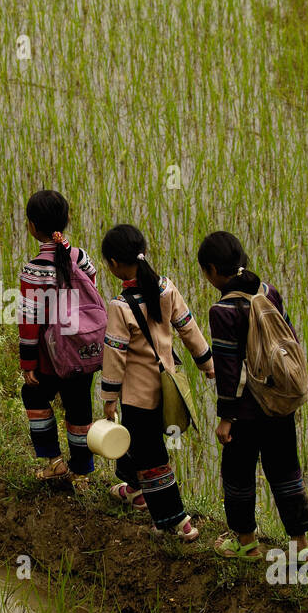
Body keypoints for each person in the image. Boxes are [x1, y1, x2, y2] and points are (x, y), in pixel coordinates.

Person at [198, 231, 308, 561]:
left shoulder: (223, 309)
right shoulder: (268, 292)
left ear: (211, 270)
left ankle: (247, 543)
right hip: (279, 403)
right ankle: (301, 547)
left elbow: (230, 370)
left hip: (247, 412)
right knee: (285, 471)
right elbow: (287, 340)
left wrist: (226, 417)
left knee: (238, 474)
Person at [99, 224, 214, 541]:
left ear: (113, 264)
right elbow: (188, 328)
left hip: (137, 397)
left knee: (151, 457)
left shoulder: (120, 306)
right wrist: (207, 363)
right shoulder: (166, 288)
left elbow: (114, 354)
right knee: (137, 445)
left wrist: (109, 398)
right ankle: (136, 492)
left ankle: (177, 522)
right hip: (167, 386)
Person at [18, 190, 97, 482]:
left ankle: (54, 460)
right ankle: (82, 472)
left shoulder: (35, 270)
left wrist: (27, 363)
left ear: (32, 227)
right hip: (82, 350)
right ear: (65, 221)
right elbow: (90, 290)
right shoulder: (80, 257)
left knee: (34, 395)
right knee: (79, 408)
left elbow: (29, 321)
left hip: (50, 357)